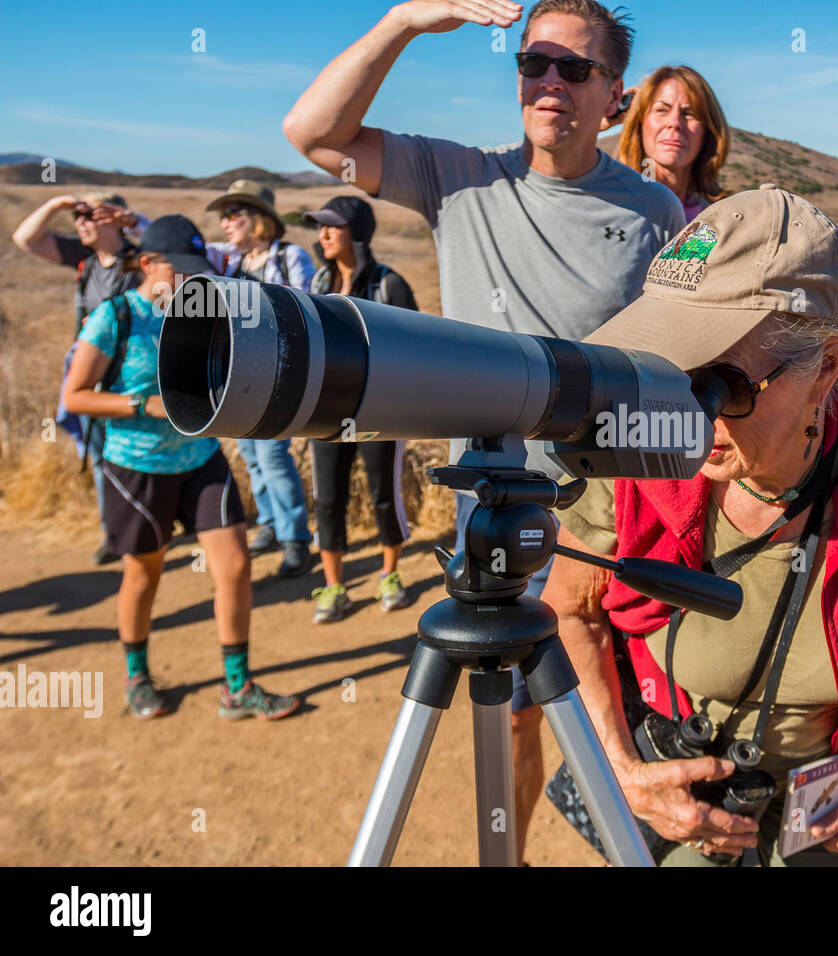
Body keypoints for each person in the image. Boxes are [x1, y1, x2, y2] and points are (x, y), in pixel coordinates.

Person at [282, 0, 684, 861]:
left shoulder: (654, 210)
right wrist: (403, 21)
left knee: (646, 702)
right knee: (519, 716)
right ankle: (518, 847)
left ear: (614, 94)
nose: (549, 83)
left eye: (574, 69)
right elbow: (312, 133)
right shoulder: (457, 177)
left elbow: (685, 352)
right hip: (500, 510)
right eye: (532, 64)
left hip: (621, 513)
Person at [546, 185, 838, 866]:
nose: (688, 416)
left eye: (724, 386)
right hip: (686, 802)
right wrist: (618, 767)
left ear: (827, 366)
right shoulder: (634, 446)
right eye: (670, 373)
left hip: (831, 809)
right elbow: (571, 608)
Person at [60, 215, 301, 721]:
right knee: (144, 575)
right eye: (181, 272)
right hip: (137, 466)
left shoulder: (204, 311)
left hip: (201, 458)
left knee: (235, 566)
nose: (192, 282)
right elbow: (76, 397)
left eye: (198, 272)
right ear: (148, 264)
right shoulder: (115, 317)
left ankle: (237, 688)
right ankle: (137, 677)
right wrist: (143, 405)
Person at [12, 191, 150, 565]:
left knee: (130, 453)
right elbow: (25, 239)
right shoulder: (85, 259)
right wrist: (56, 204)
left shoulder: (139, 261)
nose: (80, 223)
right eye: (77, 217)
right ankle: (115, 533)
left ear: (112, 218)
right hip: (89, 376)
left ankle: (144, 527)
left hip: (128, 377)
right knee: (100, 455)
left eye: (89, 215)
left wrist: (131, 219)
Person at [301, 196, 420, 623]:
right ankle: (334, 587)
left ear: (358, 233)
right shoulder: (317, 283)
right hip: (326, 413)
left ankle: (389, 575)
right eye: (320, 227)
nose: (324, 235)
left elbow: (417, 348)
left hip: (380, 414)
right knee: (327, 498)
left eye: (333, 226)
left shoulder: (391, 285)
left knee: (383, 495)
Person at [204, 180, 316, 579]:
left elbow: (308, 309)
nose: (225, 222)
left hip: (276, 376)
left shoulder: (290, 257)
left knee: (272, 457)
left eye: (233, 214)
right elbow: (179, 244)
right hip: (237, 377)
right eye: (223, 216)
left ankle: (296, 539)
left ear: (258, 220)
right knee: (251, 457)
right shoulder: (228, 261)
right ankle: (270, 524)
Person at [616, 64, 730, 220]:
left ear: (707, 132)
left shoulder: (715, 220)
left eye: (689, 113)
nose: (675, 123)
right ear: (639, 123)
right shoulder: (612, 204)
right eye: (662, 110)